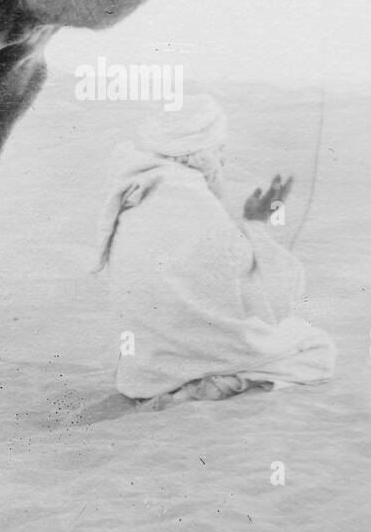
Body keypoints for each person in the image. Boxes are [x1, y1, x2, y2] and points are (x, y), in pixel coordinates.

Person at [93, 95, 335, 406]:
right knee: (315, 349)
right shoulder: (194, 200)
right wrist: (256, 225)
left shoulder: (135, 192)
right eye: (219, 150)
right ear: (200, 151)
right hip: (193, 356)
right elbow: (268, 302)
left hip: (146, 368)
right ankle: (208, 385)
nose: (221, 161)